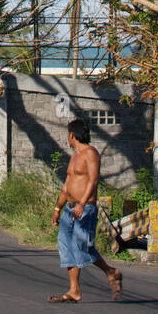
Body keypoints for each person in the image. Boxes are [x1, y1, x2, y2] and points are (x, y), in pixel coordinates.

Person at [48, 119, 122, 304]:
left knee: (82, 247)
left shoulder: (91, 153)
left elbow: (94, 180)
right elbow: (67, 185)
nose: (68, 138)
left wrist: (82, 203)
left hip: (85, 209)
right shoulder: (74, 157)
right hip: (69, 210)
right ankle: (74, 290)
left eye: (68, 134)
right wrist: (58, 208)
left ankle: (111, 272)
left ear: (72, 135)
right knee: (66, 247)